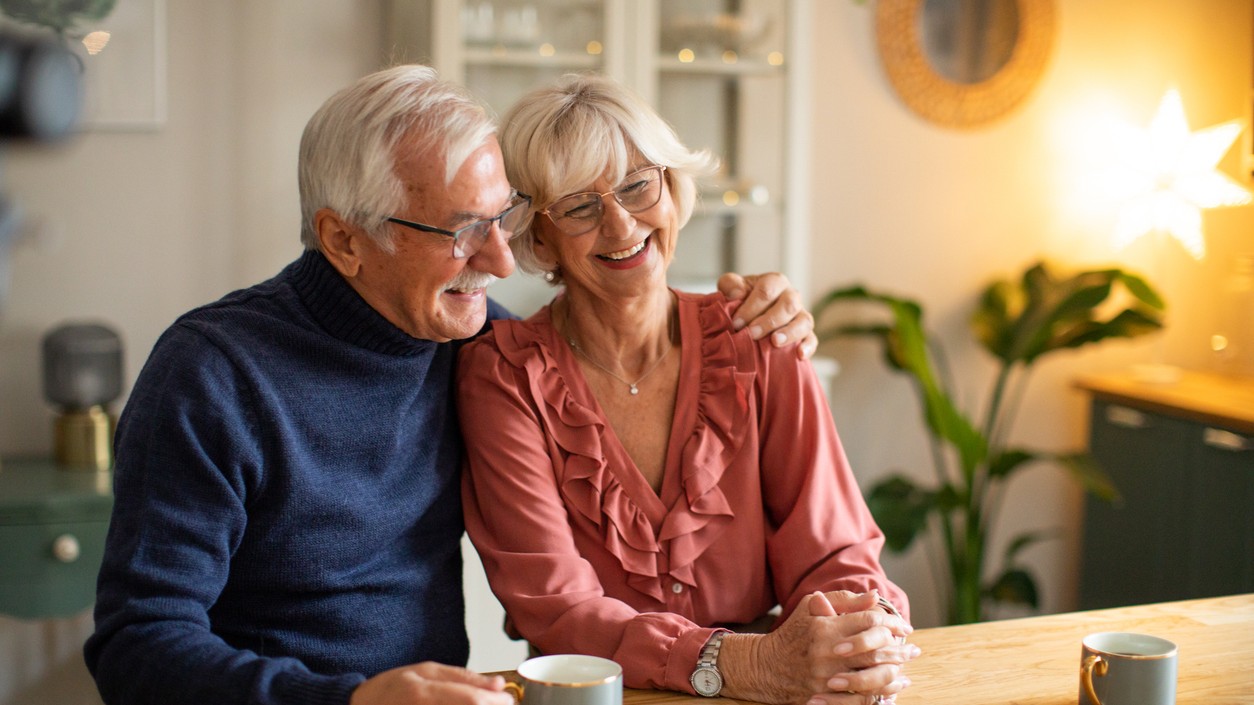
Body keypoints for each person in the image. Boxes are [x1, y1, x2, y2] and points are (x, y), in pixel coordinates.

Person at [83, 65, 817, 705]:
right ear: (343, 238)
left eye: (503, 219)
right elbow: (136, 645)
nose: (501, 261)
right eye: (462, 231)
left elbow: (616, 324)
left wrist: (748, 313)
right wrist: (346, 700)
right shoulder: (211, 373)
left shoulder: (481, 346)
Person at [457, 73, 918, 705]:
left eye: (637, 185)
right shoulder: (505, 376)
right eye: (578, 206)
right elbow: (557, 608)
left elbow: (834, 550)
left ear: (673, 190)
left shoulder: (758, 336)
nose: (620, 225)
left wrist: (865, 635)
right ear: (540, 238)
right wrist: (746, 665)